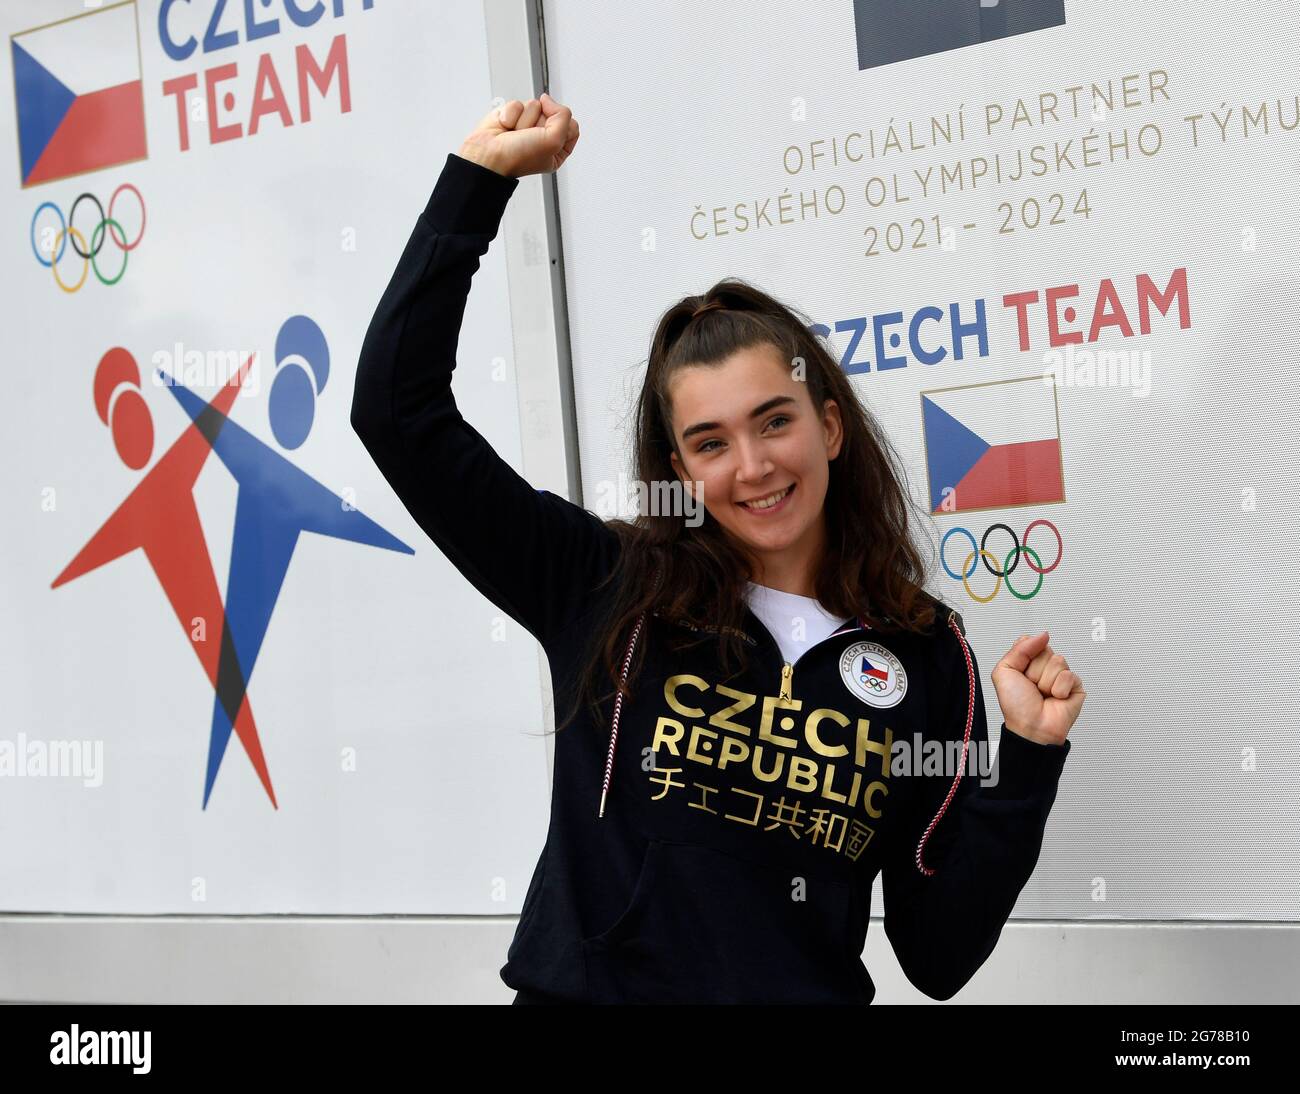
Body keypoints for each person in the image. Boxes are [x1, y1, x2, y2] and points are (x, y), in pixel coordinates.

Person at [350, 93, 1086, 1004]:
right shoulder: (601, 584)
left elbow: (939, 958)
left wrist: (1025, 759)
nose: (752, 466)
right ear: (678, 466)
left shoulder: (927, 652)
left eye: (774, 422)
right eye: (710, 442)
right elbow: (397, 411)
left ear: (830, 427)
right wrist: (477, 184)